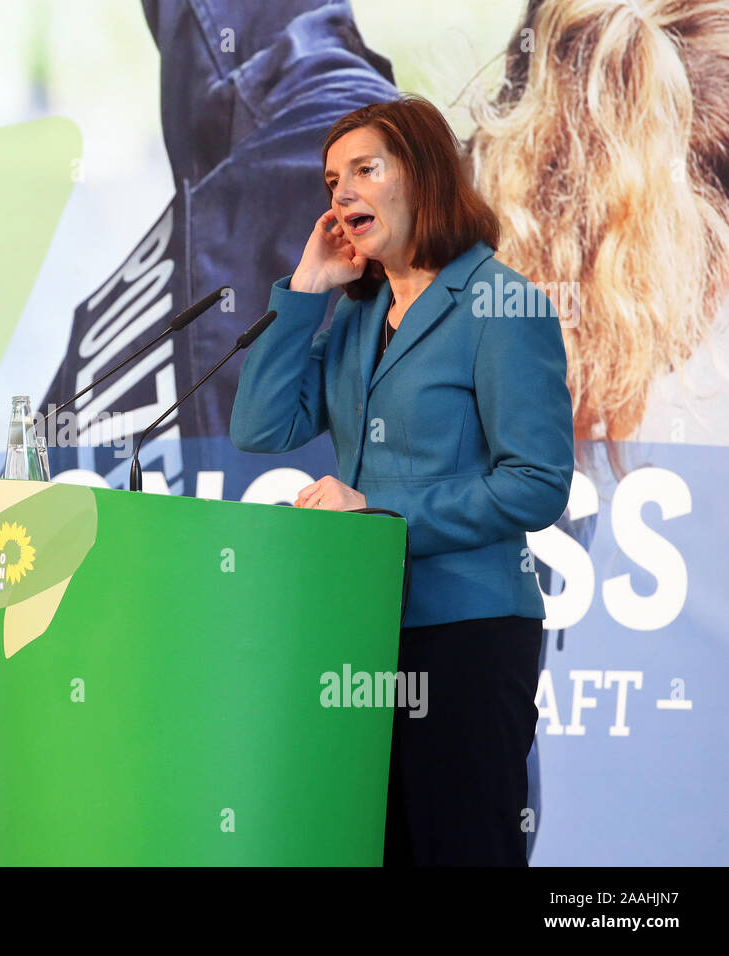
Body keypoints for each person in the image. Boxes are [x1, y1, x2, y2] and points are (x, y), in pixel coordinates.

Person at [229, 94, 575, 865]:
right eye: (330, 181)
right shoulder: (359, 313)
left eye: (364, 171)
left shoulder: (502, 304)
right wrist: (306, 293)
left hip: (468, 637)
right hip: (358, 634)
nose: (342, 193)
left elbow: (536, 482)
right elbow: (261, 427)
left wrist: (377, 509)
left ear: (421, 176)